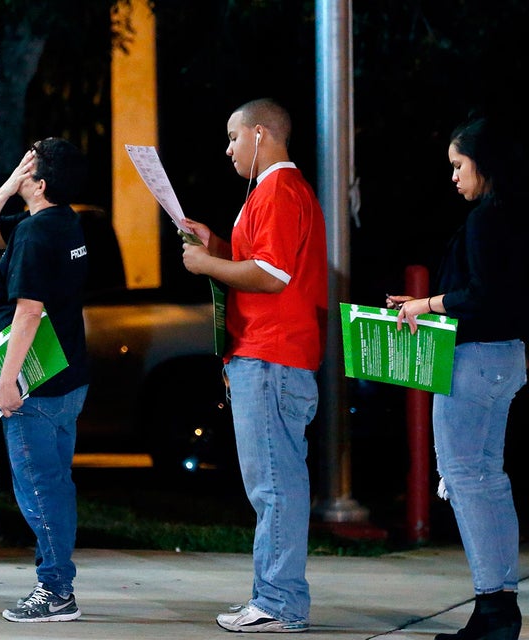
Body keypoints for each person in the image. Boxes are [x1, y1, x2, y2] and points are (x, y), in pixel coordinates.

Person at [179, 98, 328, 633]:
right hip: (266, 357)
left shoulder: (280, 190)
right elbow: (260, 261)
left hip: (272, 356)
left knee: (274, 486)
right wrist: (215, 245)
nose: (228, 149)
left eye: (233, 136)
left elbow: (271, 276)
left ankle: (279, 602)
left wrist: (206, 263)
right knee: (273, 483)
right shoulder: (271, 191)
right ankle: (274, 597)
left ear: (260, 134)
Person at [387, 113, 527, 640]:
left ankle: (493, 608)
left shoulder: (486, 219)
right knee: (489, 479)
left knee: (465, 478)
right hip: (507, 358)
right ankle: (499, 609)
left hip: (473, 361)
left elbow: (482, 297)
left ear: (482, 164)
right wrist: (426, 304)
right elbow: (496, 293)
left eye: (458, 165)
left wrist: (425, 304)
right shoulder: (514, 215)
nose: (453, 176)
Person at [0, 137, 90, 623]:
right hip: (67, 375)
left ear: (40, 184)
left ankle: (55, 590)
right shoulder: (64, 222)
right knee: (56, 484)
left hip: (36, 384)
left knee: (39, 490)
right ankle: (58, 584)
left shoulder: (37, 234)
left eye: (28, 167)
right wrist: (9, 187)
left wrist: (8, 380)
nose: (20, 171)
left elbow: (29, 311)